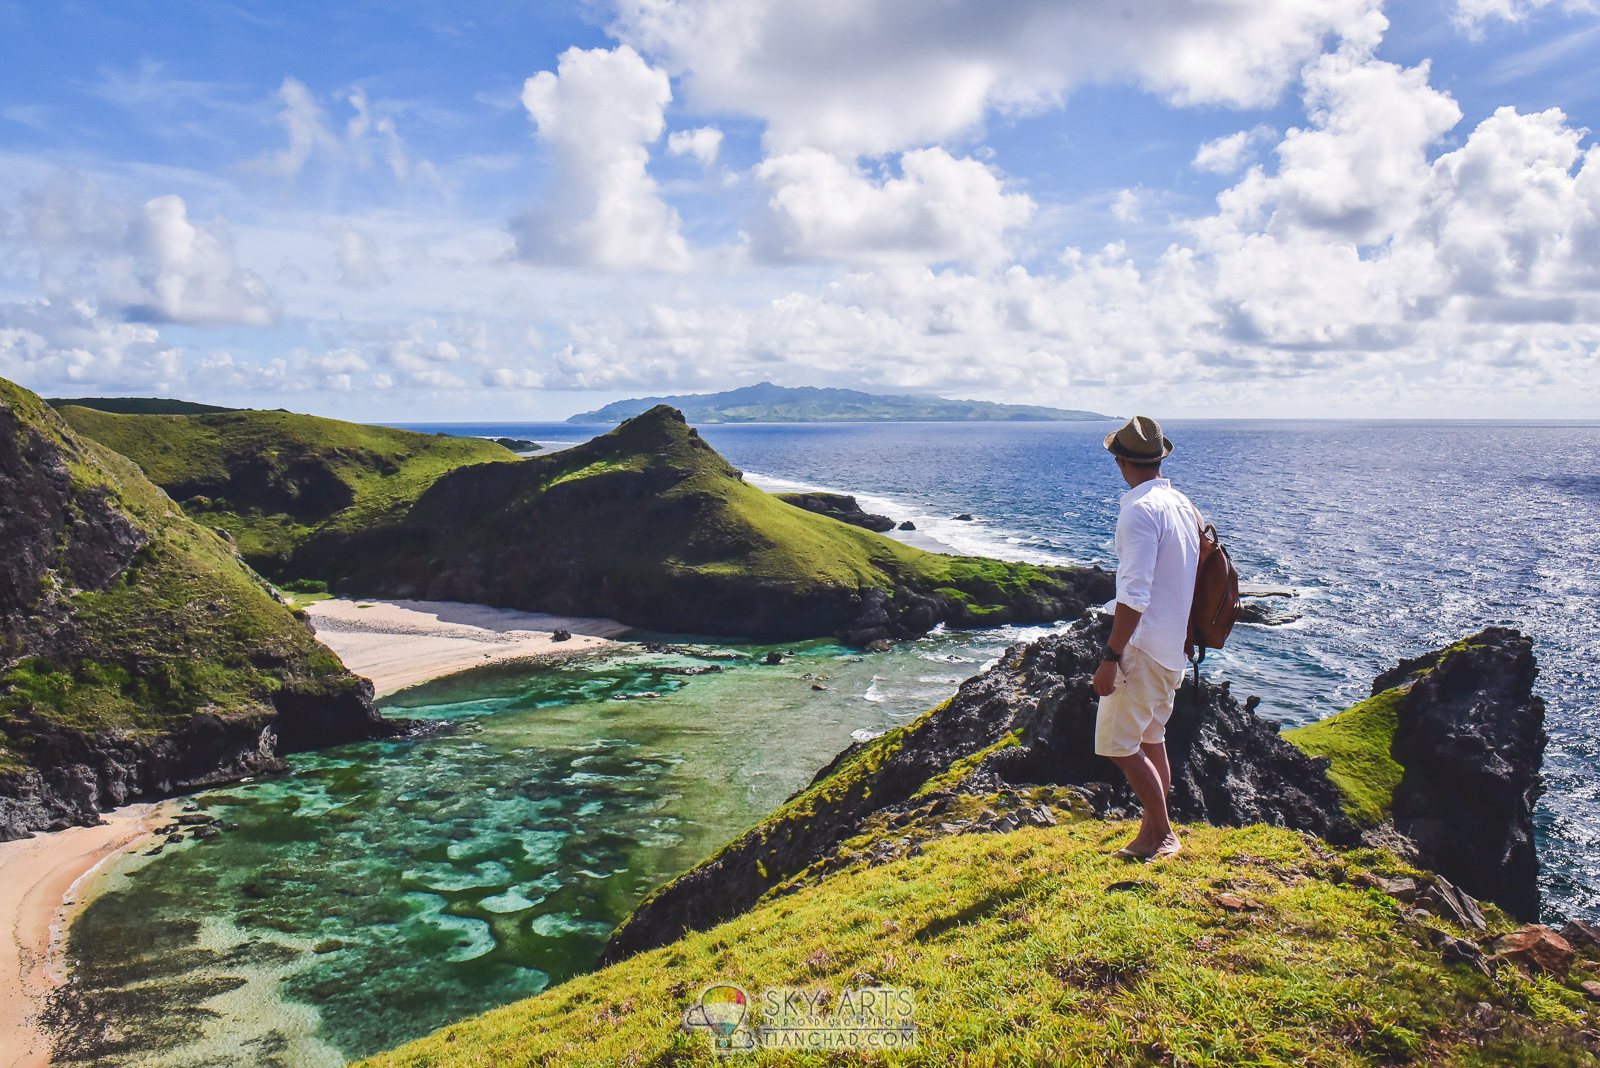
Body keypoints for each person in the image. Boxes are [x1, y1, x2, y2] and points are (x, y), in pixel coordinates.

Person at [1092, 415, 1200, 860]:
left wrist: (1111, 656)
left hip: (1144, 647)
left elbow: (1133, 594)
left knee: (1117, 745)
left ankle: (1161, 833)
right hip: (1173, 647)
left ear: (1120, 460)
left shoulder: (1139, 511)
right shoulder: (1182, 505)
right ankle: (1153, 830)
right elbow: (1192, 578)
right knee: (1152, 738)